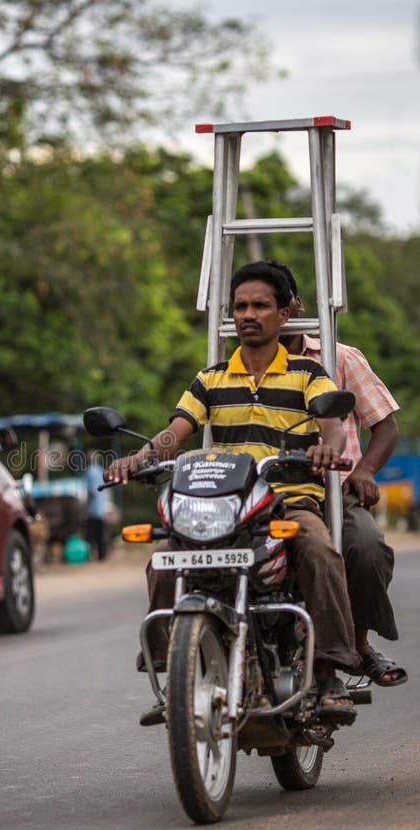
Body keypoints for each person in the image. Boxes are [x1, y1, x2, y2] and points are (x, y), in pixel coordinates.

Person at [106, 261, 360, 725]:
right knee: (164, 556)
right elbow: (174, 434)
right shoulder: (211, 379)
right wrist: (139, 458)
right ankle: (173, 677)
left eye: (261, 305)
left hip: (288, 502)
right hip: (225, 507)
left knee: (321, 552)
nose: (248, 314)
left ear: (283, 314)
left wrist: (328, 449)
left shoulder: (308, 374)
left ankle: (329, 673)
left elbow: (333, 427)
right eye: (240, 306)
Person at [271, 260, 407, 687]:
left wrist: (364, 469)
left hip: (333, 486)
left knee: (364, 546)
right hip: (264, 488)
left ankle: (357, 643)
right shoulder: (238, 365)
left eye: (273, 300)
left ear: (294, 306)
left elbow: (384, 424)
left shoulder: (339, 358)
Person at [85, 450, 111, 561]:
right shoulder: (101, 470)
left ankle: (96, 554)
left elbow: (91, 491)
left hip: (93, 508)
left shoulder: (90, 471)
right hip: (102, 507)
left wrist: (85, 505)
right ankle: (103, 554)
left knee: (92, 533)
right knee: (101, 531)